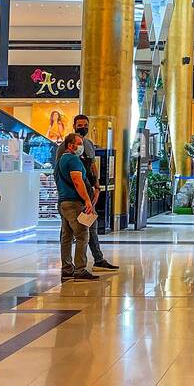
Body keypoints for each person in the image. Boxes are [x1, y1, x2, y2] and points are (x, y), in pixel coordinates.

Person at [72, 114, 118, 271]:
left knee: (91, 225)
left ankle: (98, 258)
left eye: (85, 124)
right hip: (75, 192)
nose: (82, 127)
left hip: (89, 189)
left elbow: (92, 165)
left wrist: (97, 185)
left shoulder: (89, 144)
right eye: (80, 125)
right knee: (72, 231)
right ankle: (72, 265)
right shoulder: (68, 145)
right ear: (74, 126)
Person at [54, 132, 98, 282]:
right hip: (74, 203)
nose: (81, 146)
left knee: (66, 236)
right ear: (71, 145)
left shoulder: (60, 160)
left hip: (63, 202)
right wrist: (87, 200)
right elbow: (77, 181)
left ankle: (67, 268)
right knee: (82, 234)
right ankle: (80, 269)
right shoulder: (73, 159)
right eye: (79, 143)